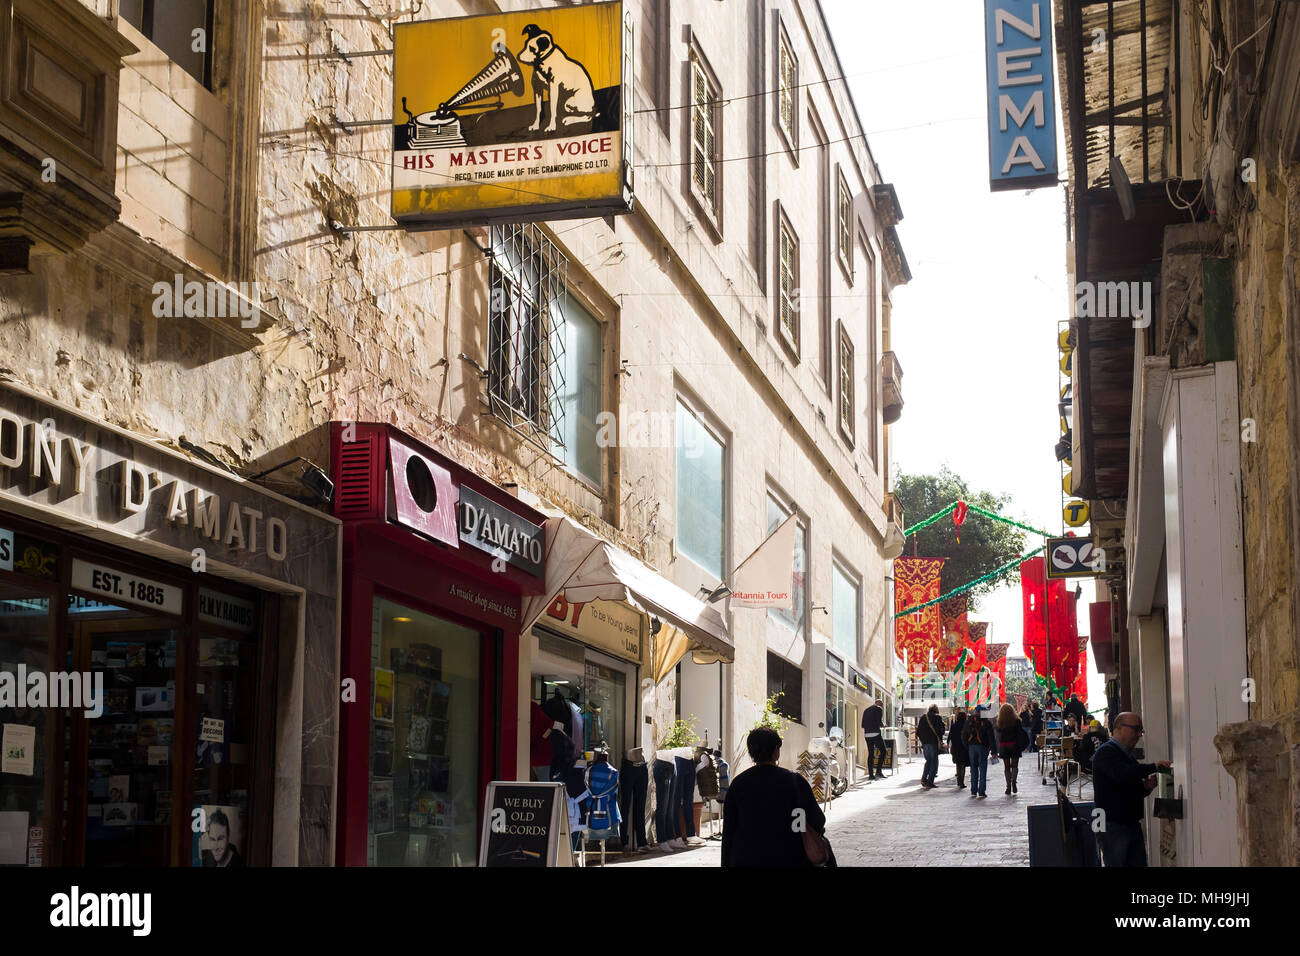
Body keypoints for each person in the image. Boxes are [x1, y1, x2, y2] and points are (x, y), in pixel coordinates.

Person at [721, 727, 830, 868]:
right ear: (776, 751)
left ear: (751, 752)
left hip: (748, 859)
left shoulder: (738, 784)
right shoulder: (794, 781)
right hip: (791, 858)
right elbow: (817, 820)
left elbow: (729, 831)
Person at [1092, 712, 1171, 867]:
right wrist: (1154, 767)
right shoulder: (1106, 752)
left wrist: (1145, 788)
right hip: (1112, 825)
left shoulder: (1125, 754)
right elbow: (1123, 774)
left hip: (1129, 823)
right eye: (1136, 729)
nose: (1139, 734)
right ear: (1119, 728)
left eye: (1141, 730)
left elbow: (1126, 786)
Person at [994, 703, 1029, 794]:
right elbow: (1020, 733)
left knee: (1006, 767)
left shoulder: (1000, 722)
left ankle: (1008, 786)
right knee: (1015, 766)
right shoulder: (1017, 721)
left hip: (1004, 746)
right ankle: (1014, 782)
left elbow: (998, 733)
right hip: (1014, 745)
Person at [965, 705, 995, 798]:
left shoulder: (968, 721)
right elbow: (991, 738)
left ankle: (973, 790)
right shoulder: (987, 723)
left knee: (973, 769)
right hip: (983, 748)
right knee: (982, 769)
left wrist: (967, 746)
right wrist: (993, 751)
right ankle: (981, 791)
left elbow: (963, 735)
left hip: (972, 748)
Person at [916, 704, 945, 790]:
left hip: (925, 743)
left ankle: (924, 779)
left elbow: (918, 732)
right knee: (934, 762)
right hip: (933, 743)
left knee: (928, 761)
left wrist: (923, 741)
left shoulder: (923, 718)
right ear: (936, 710)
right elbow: (941, 731)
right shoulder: (937, 718)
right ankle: (929, 782)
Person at [862, 697, 886, 781]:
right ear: (879, 704)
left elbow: (863, 724)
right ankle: (878, 771)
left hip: (867, 734)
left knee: (871, 754)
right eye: (882, 705)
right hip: (875, 733)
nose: (882, 707)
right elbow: (879, 722)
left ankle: (871, 775)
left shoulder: (866, 710)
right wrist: (883, 725)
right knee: (883, 751)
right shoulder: (878, 709)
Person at [948, 708, 969, 789]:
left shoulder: (954, 725)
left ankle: (958, 780)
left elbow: (950, 736)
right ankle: (962, 782)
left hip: (955, 747)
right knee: (963, 764)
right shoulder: (966, 725)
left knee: (958, 764)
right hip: (964, 747)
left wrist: (949, 744)